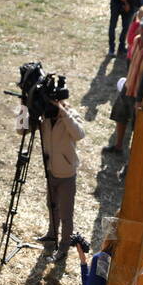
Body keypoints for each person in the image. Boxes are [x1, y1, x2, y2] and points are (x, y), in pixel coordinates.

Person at [38, 95, 84, 267]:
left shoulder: (70, 115)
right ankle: (51, 234)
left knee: (66, 214)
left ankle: (64, 247)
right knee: (51, 205)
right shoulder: (45, 117)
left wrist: (63, 113)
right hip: (50, 170)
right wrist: (26, 107)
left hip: (66, 174)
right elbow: (22, 130)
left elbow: (79, 134)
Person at [104, 16, 143, 156]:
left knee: (138, 127)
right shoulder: (136, 39)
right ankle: (118, 146)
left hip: (141, 94)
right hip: (129, 86)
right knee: (120, 117)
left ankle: (134, 158)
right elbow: (131, 61)